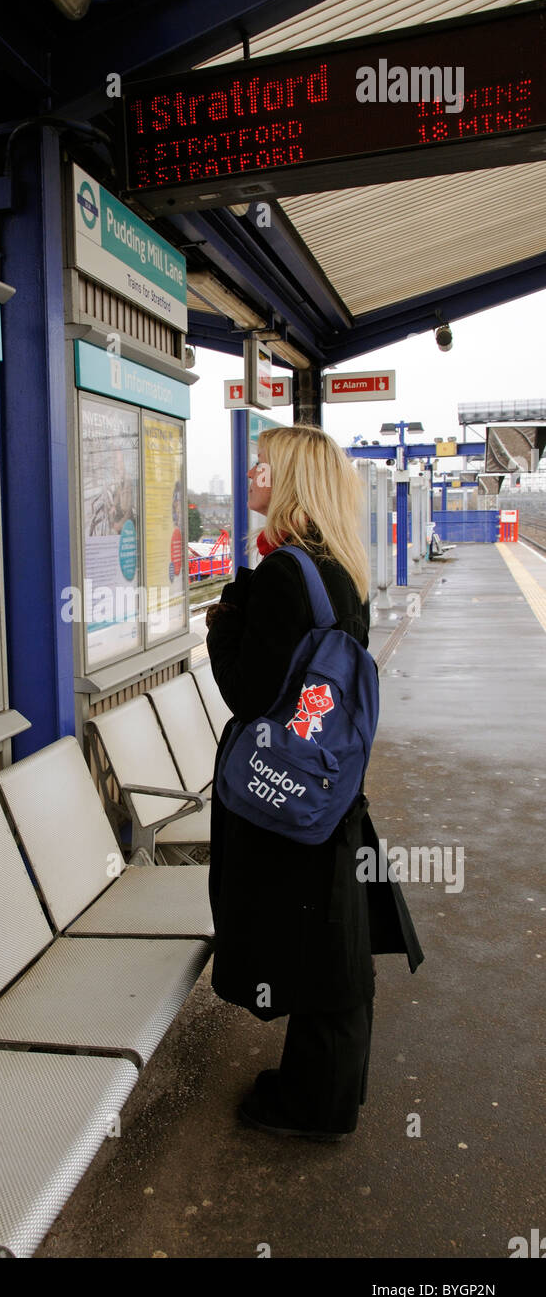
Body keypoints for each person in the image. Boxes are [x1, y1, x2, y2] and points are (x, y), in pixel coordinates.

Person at [205, 426, 423, 1142]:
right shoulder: (336, 567)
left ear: (289, 478)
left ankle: (311, 1107)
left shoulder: (284, 574)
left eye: (261, 463)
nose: (249, 472)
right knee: (332, 936)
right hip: (323, 782)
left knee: (320, 943)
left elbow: (248, 692)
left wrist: (222, 625)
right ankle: (322, 1091)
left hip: (281, 790)